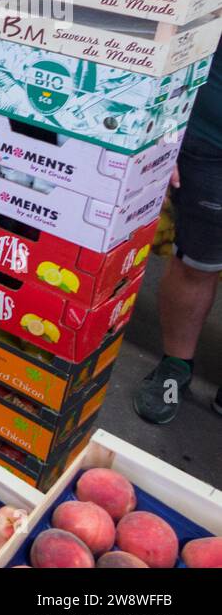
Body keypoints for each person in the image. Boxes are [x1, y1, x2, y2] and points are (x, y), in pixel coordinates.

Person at [135, 50, 222, 424]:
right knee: (196, 265)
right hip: (210, 146)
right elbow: (177, 35)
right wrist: (166, 130)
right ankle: (175, 370)